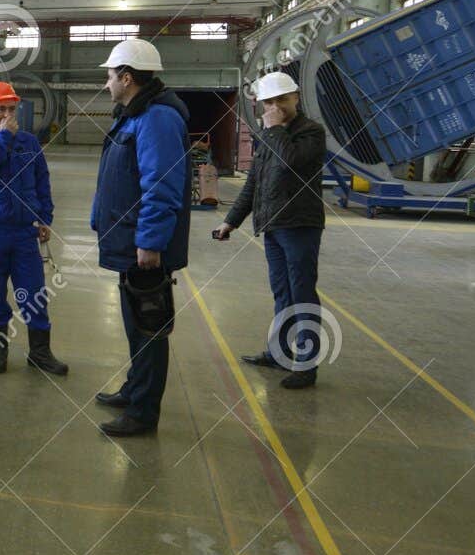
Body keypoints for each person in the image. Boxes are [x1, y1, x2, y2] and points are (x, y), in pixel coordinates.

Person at [91, 37, 192, 437]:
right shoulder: (134, 114)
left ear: (127, 77)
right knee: (136, 325)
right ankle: (135, 389)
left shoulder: (156, 119)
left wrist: (150, 241)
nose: (107, 84)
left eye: (110, 76)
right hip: (128, 240)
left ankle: (143, 413)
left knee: (149, 329)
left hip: (143, 247)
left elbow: (162, 185)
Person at [211, 71, 327, 389]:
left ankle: (307, 364)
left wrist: (274, 129)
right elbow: (255, 182)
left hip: (300, 226)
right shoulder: (270, 134)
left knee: (302, 293)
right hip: (273, 226)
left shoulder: (311, 134)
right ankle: (280, 352)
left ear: (296, 99)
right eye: (269, 101)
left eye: (282, 100)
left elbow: (290, 163)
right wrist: (230, 221)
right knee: (282, 292)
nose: (276, 106)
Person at [0, 81, 67, 376]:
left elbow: (41, 179)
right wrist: (5, 138)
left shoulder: (29, 143)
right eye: (1, 109)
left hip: (24, 232)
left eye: (12, 109)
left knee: (33, 293)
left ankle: (40, 352)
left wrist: (44, 217)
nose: (8, 115)